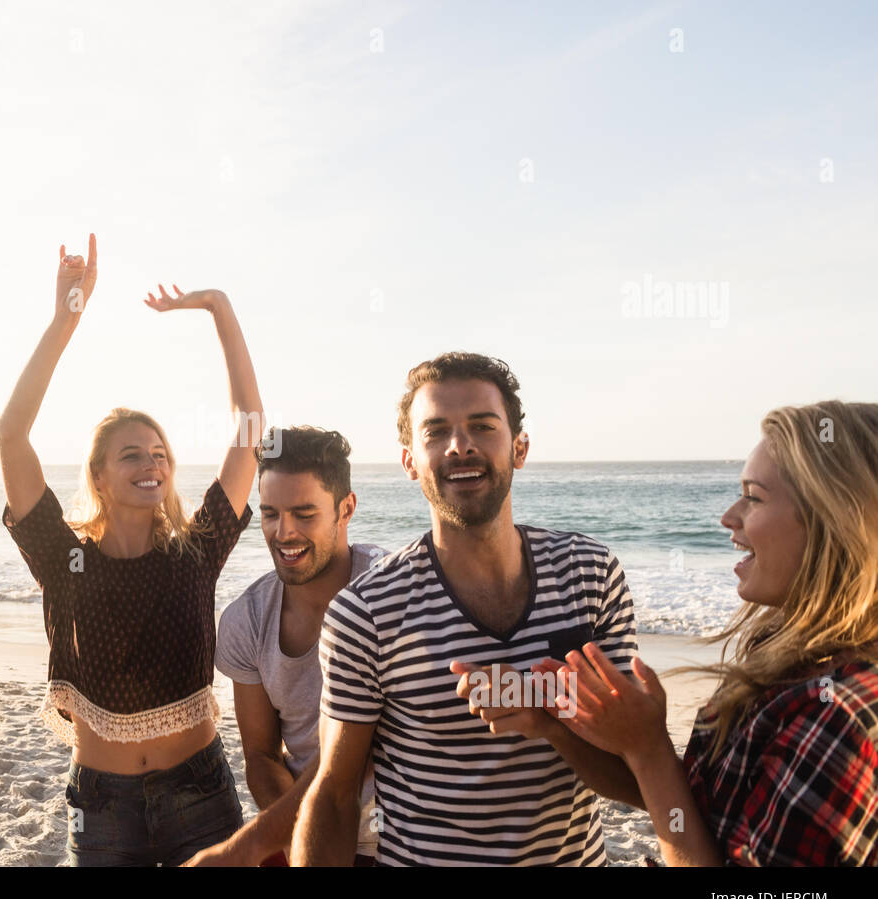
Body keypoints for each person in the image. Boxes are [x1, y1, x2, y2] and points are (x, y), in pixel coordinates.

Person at [292, 352, 641, 866]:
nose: (460, 446)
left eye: (482, 425)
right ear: (410, 461)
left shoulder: (590, 576)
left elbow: (636, 775)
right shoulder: (365, 613)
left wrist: (548, 722)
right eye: (435, 431)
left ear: (519, 447)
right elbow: (335, 795)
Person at [0, 234, 265, 866]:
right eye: (131, 455)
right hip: (103, 805)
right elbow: (10, 435)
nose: (152, 464)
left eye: (161, 453)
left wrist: (218, 307)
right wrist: (66, 317)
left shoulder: (196, 551)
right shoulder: (64, 559)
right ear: (98, 473)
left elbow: (250, 429)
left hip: (200, 792)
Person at [554, 401, 878, 866]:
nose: (730, 516)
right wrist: (561, 729)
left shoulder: (838, 717)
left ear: (836, 520)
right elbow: (695, 813)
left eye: (754, 496)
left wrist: (647, 749)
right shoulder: (781, 655)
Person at [185, 426, 383, 866]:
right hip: (294, 826)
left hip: (396, 836)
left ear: (345, 509)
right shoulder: (246, 620)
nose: (284, 532)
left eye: (304, 513)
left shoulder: (389, 595)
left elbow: (358, 752)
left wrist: (255, 842)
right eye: (271, 513)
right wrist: (295, 834)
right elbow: (260, 754)